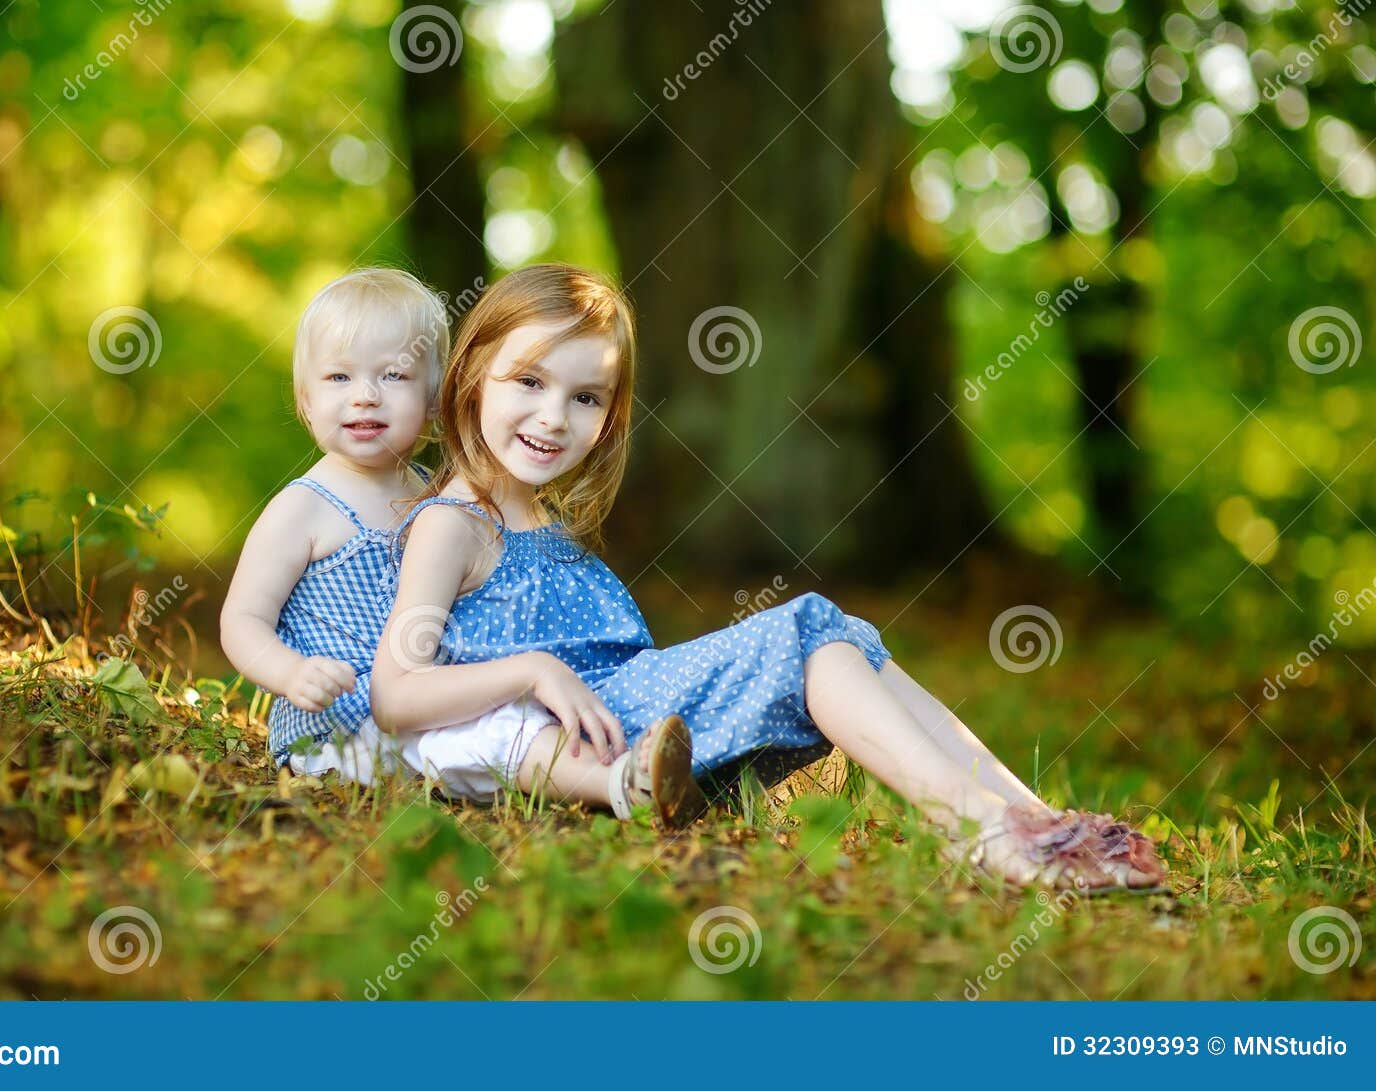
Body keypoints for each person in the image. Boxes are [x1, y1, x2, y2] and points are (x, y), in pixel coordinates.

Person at [370, 262, 1168, 894]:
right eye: (529, 382)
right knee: (810, 628)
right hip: (600, 734)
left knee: (841, 635)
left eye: (585, 397)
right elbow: (395, 694)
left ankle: (1030, 817)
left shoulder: (543, 522)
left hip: (637, 715)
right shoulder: (454, 524)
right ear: (471, 372)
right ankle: (984, 828)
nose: (553, 417)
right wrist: (534, 669)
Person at [219, 267, 700, 825]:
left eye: (394, 376)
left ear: (433, 400)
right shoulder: (305, 507)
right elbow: (242, 619)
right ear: (304, 399)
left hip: (423, 713)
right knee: (500, 729)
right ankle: (616, 786)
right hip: (340, 730)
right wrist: (289, 673)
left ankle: (619, 772)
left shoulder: (437, 493)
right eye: (338, 378)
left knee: (508, 720)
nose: (366, 397)